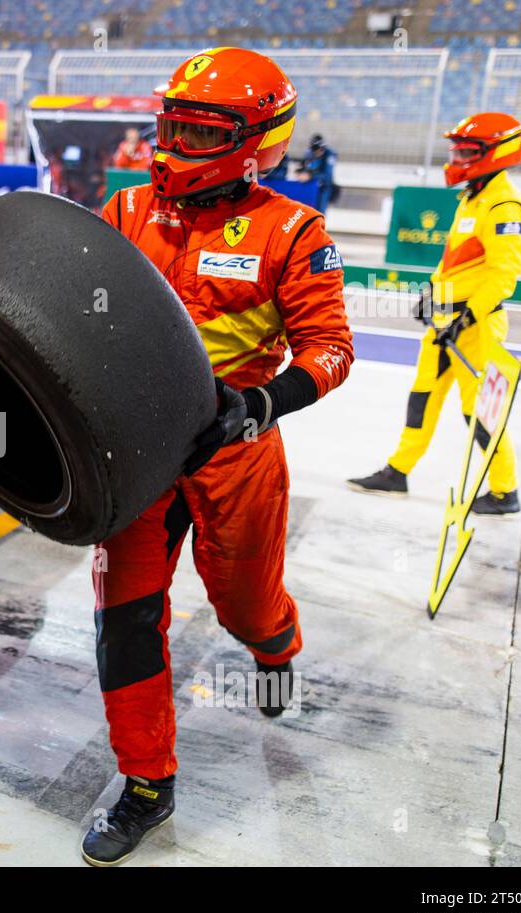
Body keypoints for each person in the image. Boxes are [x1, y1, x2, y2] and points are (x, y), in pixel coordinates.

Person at [83, 47, 354, 866]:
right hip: (135, 450)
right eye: (173, 125)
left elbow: (332, 349)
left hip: (236, 449)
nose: (177, 144)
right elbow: (76, 309)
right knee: (124, 619)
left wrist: (260, 405)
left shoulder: (295, 230)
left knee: (243, 605)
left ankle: (276, 646)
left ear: (256, 140)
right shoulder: (124, 208)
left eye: (200, 130)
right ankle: (146, 786)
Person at [348, 113, 521, 515]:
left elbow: (504, 276)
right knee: (422, 400)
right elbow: (456, 262)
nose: (458, 157)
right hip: (443, 324)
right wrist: (432, 293)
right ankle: (398, 472)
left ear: (498, 151)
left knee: (479, 414)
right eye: (457, 150)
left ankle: (505, 491)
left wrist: (466, 318)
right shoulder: (473, 196)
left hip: (476, 330)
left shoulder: (504, 206)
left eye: (468, 150)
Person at [300, 133, 336, 212]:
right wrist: (300, 172)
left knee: (319, 212)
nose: (317, 153)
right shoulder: (309, 153)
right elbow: (304, 167)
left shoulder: (329, 155)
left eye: (319, 150)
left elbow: (327, 176)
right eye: (314, 150)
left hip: (323, 188)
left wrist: (311, 176)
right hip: (311, 186)